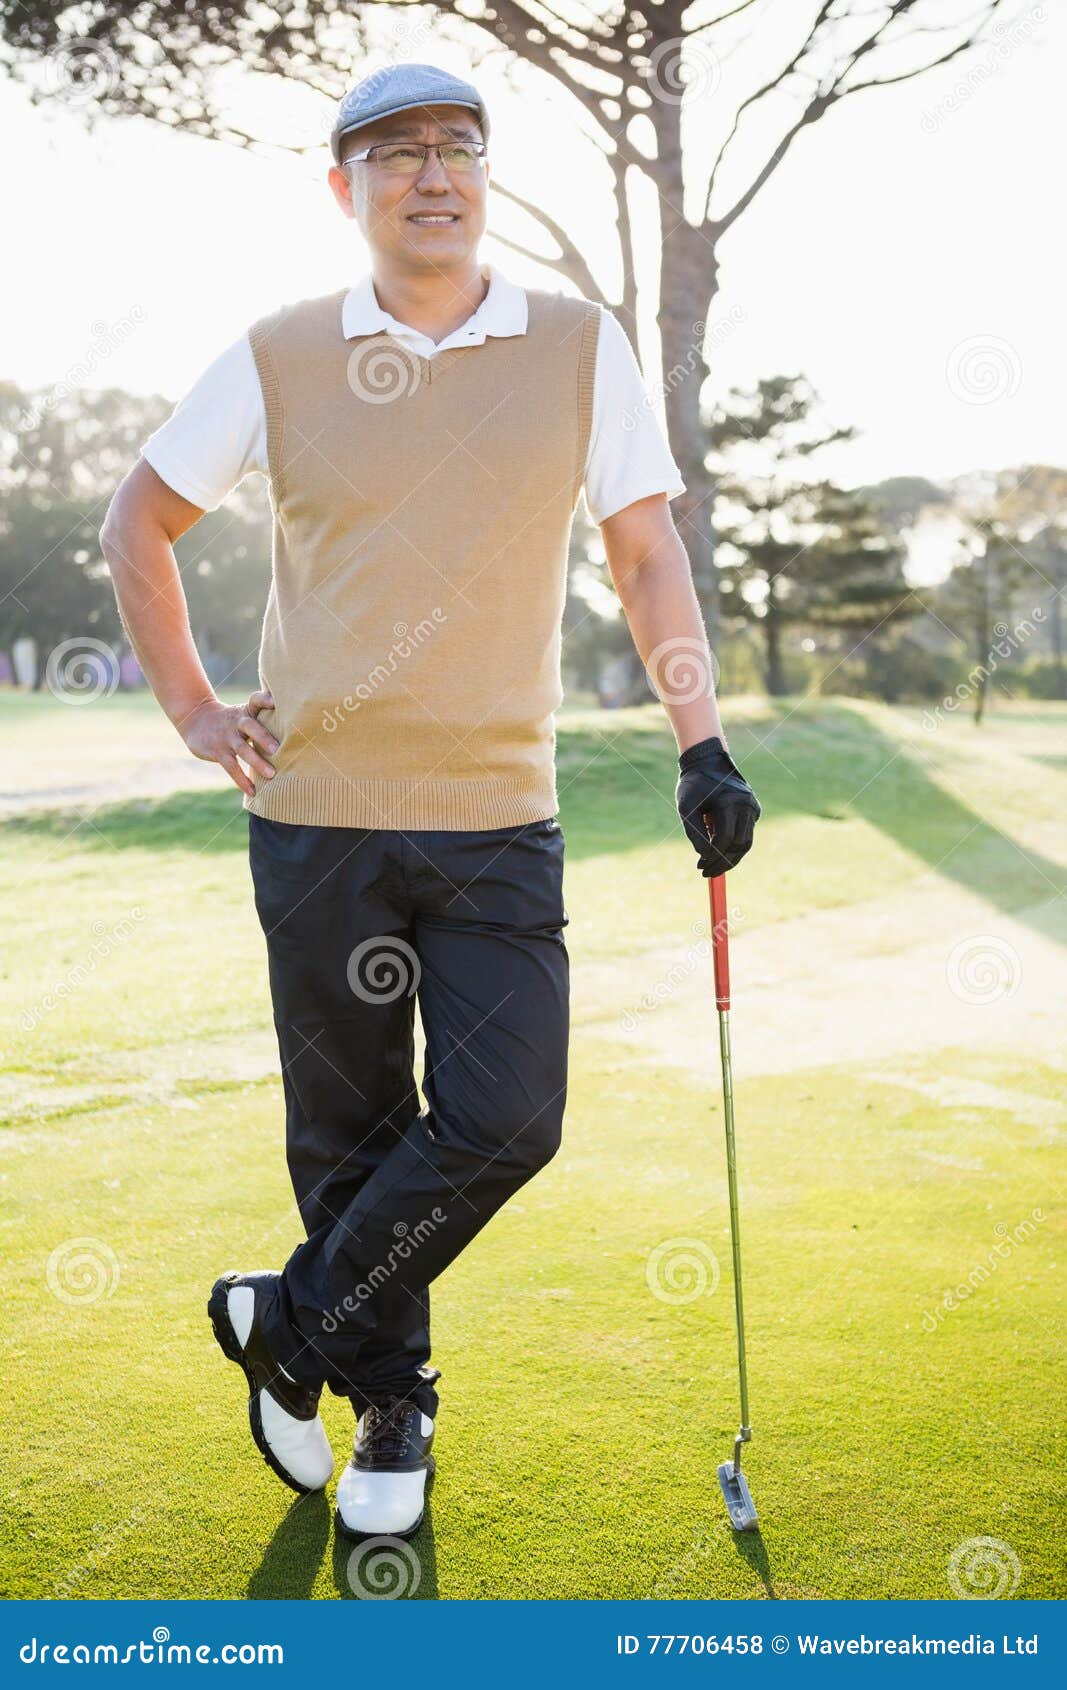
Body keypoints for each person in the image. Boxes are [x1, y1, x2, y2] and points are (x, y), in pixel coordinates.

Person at [100, 62, 761, 1543]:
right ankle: (392, 1398)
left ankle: (290, 1318)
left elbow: (649, 557)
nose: (434, 173)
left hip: (497, 817)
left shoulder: (580, 348)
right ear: (347, 190)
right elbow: (135, 518)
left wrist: (699, 742)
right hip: (318, 814)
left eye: (459, 145)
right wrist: (197, 708)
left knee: (508, 1114)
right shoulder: (277, 352)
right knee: (349, 1131)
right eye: (395, 154)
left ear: (488, 174)